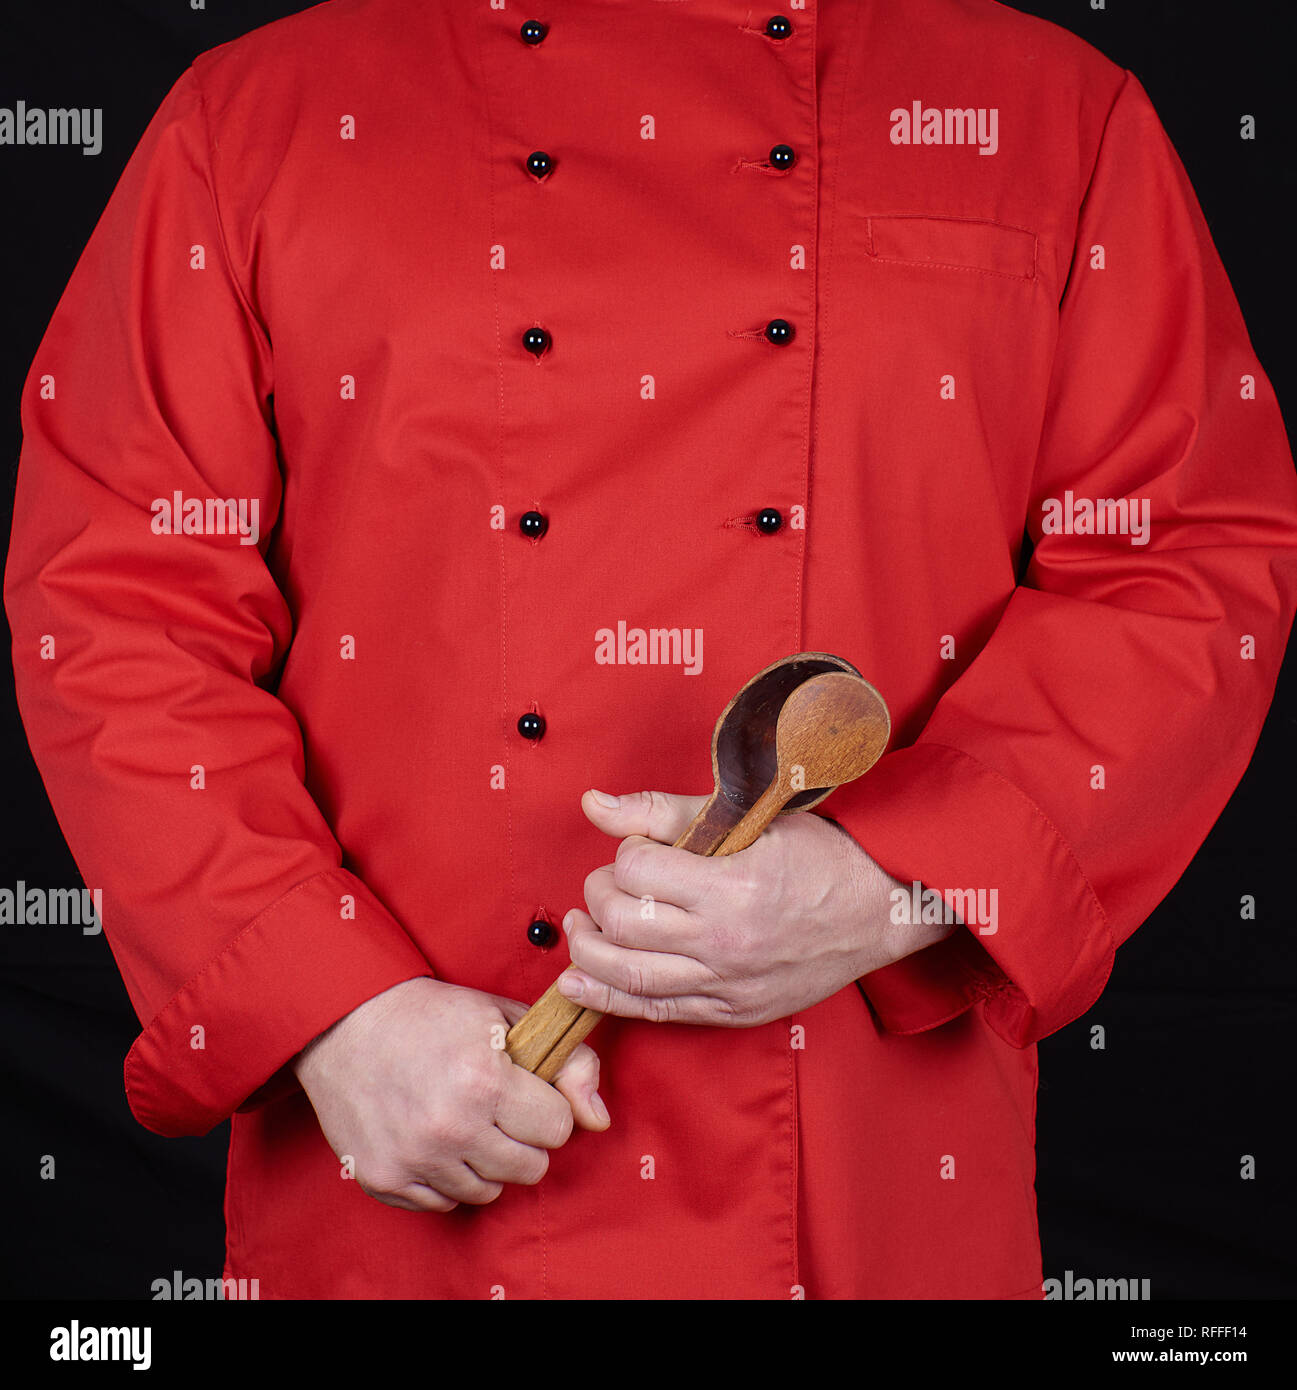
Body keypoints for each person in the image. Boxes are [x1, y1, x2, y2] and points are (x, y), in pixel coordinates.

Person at [6, 0, 1296, 1300]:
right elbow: (123, 593)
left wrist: (899, 882)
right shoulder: (259, 111)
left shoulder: (1050, 109)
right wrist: (333, 1013)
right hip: (423, 1131)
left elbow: (1182, 559)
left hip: (861, 1152)